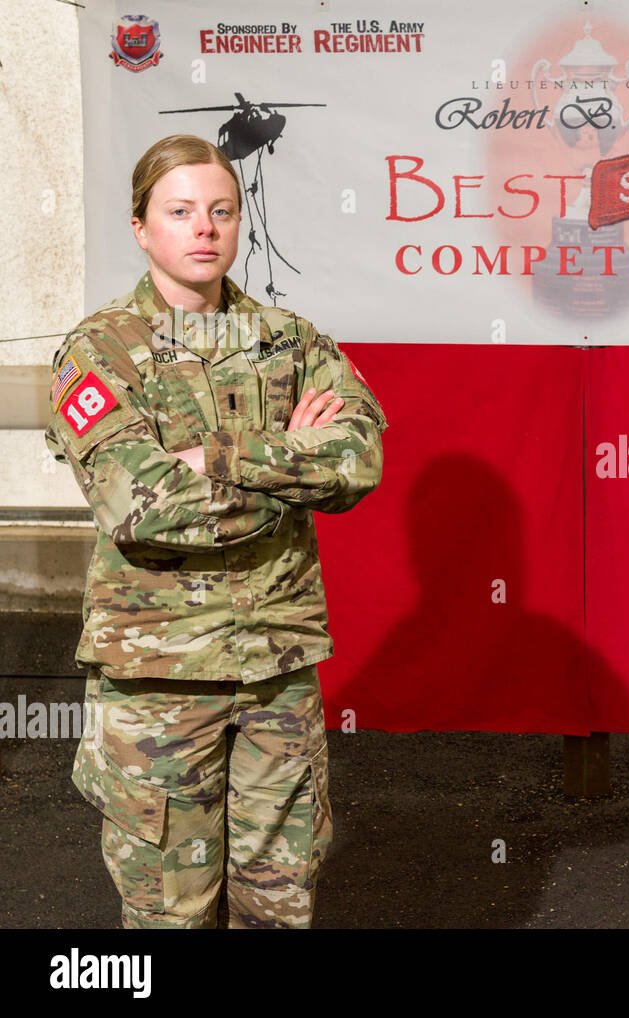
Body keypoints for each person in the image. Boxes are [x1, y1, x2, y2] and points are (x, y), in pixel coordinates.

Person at [45, 134, 387, 928]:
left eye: (221, 211)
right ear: (141, 226)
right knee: (173, 916)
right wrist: (292, 472)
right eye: (180, 211)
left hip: (279, 671)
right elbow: (142, 505)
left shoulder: (289, 342)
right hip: (161, 683)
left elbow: (359, 459)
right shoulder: (99, 354)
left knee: (280, 907)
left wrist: (223, 455)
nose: (204, 228)